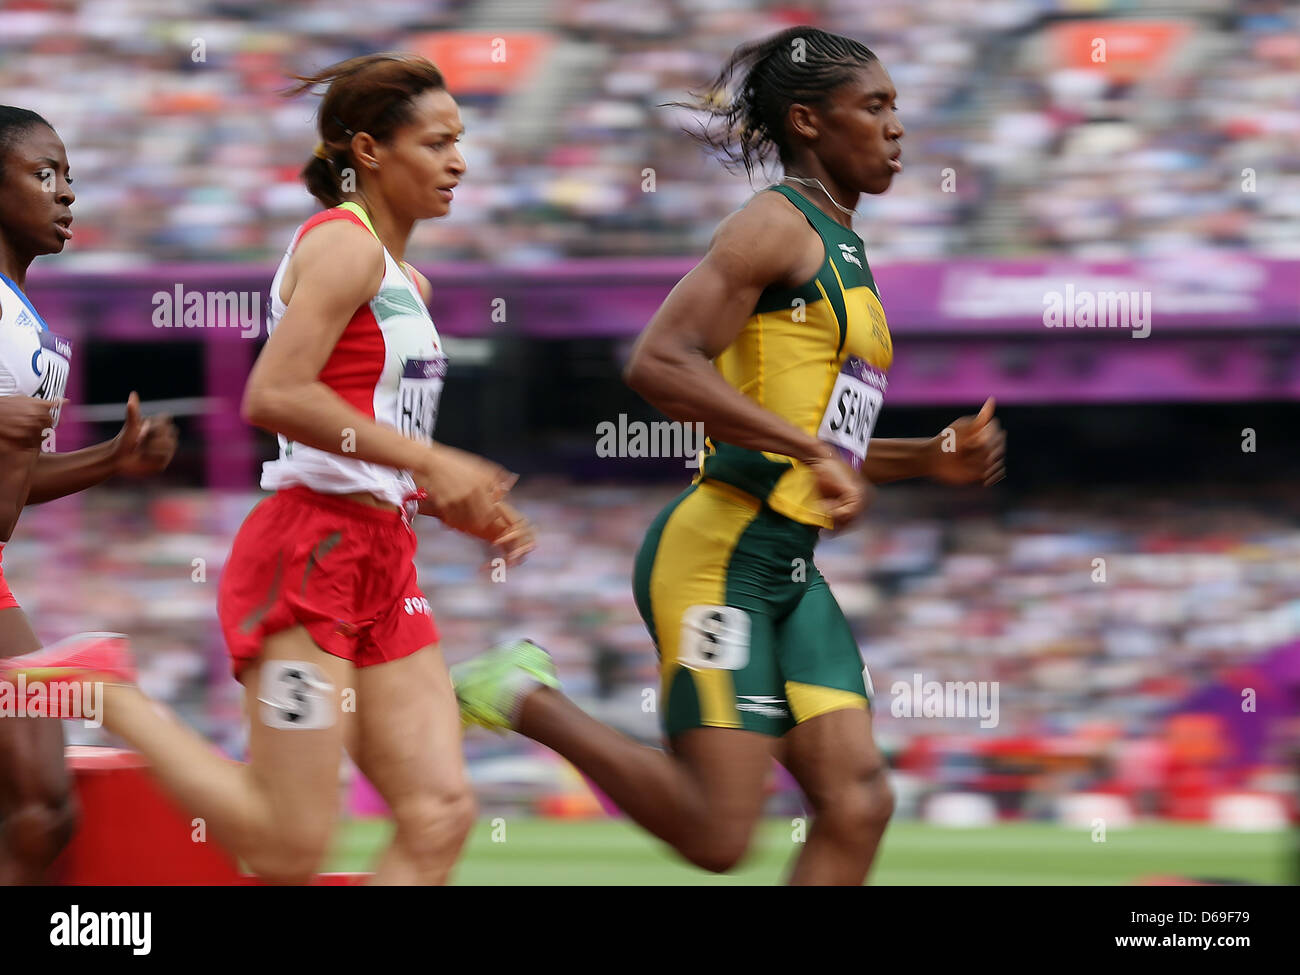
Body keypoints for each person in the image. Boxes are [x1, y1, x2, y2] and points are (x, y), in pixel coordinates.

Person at [452, 27, 1006, 885]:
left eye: (897, 105)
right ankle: (521, 694)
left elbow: (829, 448)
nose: (897, 126)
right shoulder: (774, 225)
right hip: (719, 556)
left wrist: (927, 457)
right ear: (808, 122)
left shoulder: (847, 247)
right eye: (875, 106)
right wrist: (806, 449)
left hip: (790, 568)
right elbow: (657, 360)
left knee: (859, 802)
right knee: (718, 835)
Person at [3, 55, 533, 885]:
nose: (459, 161)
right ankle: (109, 692)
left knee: (440, 814)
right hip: (308, 555)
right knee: (288, 849)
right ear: (368, 150)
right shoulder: (339, 247)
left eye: (460, 141)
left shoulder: (410, 283)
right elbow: (275, 394)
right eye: (437, 142)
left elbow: (360, 434)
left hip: (386, 561)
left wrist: (441, 497)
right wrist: (429, 458)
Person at [0, 105, 178, 884]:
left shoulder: (35, 333)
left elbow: (14, 479)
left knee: (43, 807)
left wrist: (113, 456)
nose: (67, 192)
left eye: (69, 174)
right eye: (45, 173)